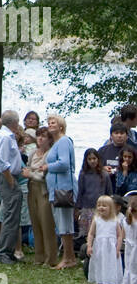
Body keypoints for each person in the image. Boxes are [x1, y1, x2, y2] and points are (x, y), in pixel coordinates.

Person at [42, 113, 77, 269]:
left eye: (53, 122)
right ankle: (68, 257)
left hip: (63, 189)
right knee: (61, 223)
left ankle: (68, 258)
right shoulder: (55, 143)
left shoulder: (63, 142)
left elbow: (64, 164)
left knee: (65, 223)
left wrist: (48, 167)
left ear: (61, 126)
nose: (50, 125)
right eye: (49, 122)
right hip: (55, 189)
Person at [0, 109, 23, 264]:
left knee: (13, 214)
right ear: (14, 123)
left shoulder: (3, 135)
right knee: (11, 215)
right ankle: (4, 252)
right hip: (6, 177)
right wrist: (10, 180)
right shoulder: (5, 137)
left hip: (7, 176)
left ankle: (8, 251)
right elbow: (3, 161)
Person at [24, 126, 57, 266]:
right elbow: (28, 167)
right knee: (35, 223)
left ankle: (50, 258)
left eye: (43, 136)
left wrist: (31, 173)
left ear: (50, 139)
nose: (40, 139)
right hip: (32, 189)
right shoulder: (33, 153)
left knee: (46, 224)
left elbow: (44, 176)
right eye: (38, 136)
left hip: (44, 190)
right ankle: (39, 256)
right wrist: (31, 172)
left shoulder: (50, 154)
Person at [87, 194, 124, 284]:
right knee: (100, 265)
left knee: (113, 266)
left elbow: (120, 236)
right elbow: (91, 233)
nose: (101, 207)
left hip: (112, 249)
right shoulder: (96, 219)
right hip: (99, 248)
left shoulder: (115, 220)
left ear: (111, 208)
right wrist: (89, 246)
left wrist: (117, 248)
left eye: (104, 205)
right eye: (99, 205)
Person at [75, 147, 113, 243]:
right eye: (89, 159)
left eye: (94, 159)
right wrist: (77, 208)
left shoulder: (104, 175)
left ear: (98, 159)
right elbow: (80, 192)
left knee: (100, 232)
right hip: (86, 208)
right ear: (86, 160)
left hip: (100, 208)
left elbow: (109, 193)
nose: (92, 161)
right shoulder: (83, 174)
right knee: (86, 233)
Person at [123, 194, 137, 284]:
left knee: (129, 270)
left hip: (129, 249)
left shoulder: (125, 221)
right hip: (135, 251)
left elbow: (123, 236)